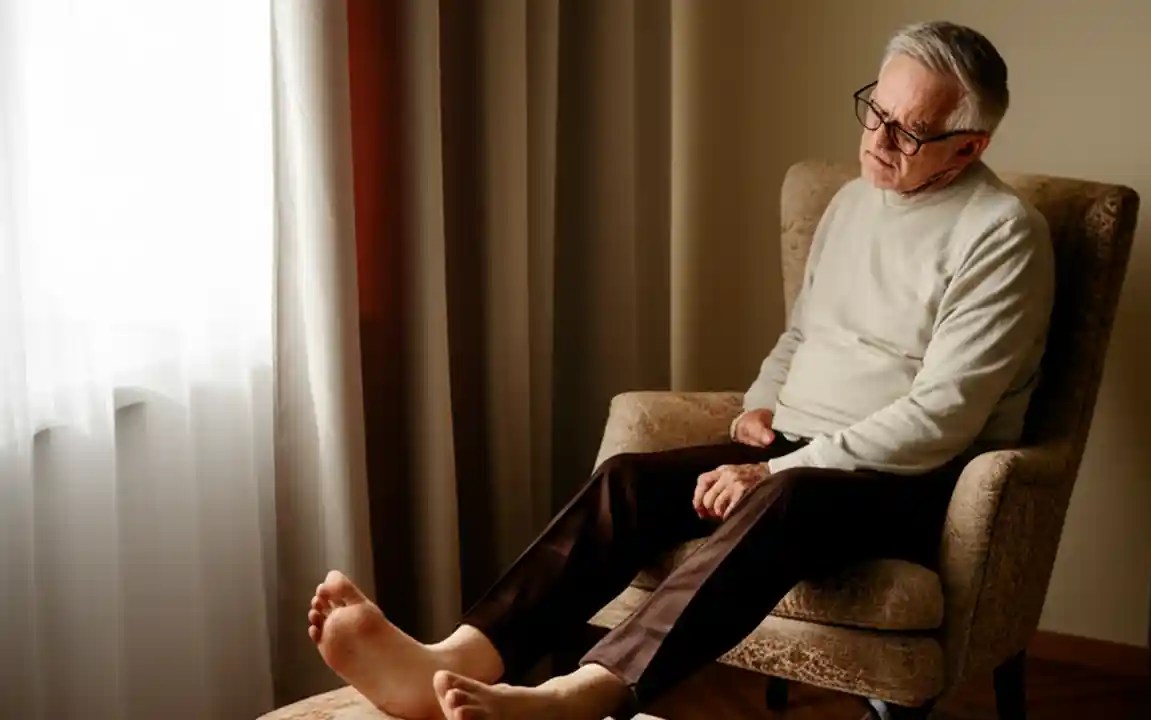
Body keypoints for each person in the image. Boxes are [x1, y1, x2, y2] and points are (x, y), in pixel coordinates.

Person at [304, 20, 1053, 720]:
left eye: (910, 130)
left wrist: (780, 471)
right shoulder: (853, 202)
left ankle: (585, 693)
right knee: (628, 481)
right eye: (874, 111)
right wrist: (758, 408)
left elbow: (943, 417)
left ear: (968, 147)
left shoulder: (1003, 237)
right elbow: (804, 335)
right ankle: (458, 655)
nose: (878, 138)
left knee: (782, 502)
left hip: (904, 480)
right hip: (795, 449)